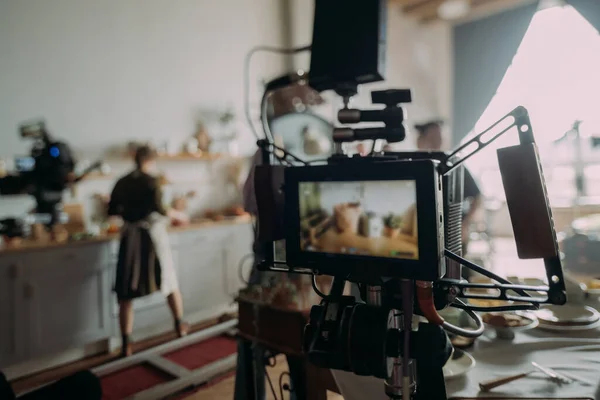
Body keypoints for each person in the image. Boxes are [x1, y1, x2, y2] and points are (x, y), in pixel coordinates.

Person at [108, 145, 189, 357]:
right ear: (151, 160)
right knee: (169, 280)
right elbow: (161, 209)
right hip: (152, 236)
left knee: (126, 288)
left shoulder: (122, 182)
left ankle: (126, 343)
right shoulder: (153, 181)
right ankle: (180, 326)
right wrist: (178, 213)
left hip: (129, 237)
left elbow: (111, 210)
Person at [414, 120, 482, 254]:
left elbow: (477, 197)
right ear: (420, 140)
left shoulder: (454, 165)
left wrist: (465, 224)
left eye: (439, 137)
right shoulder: (412, 164)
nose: (436, 141)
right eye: (432, 137)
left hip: (451, 234)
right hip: (420, 234)